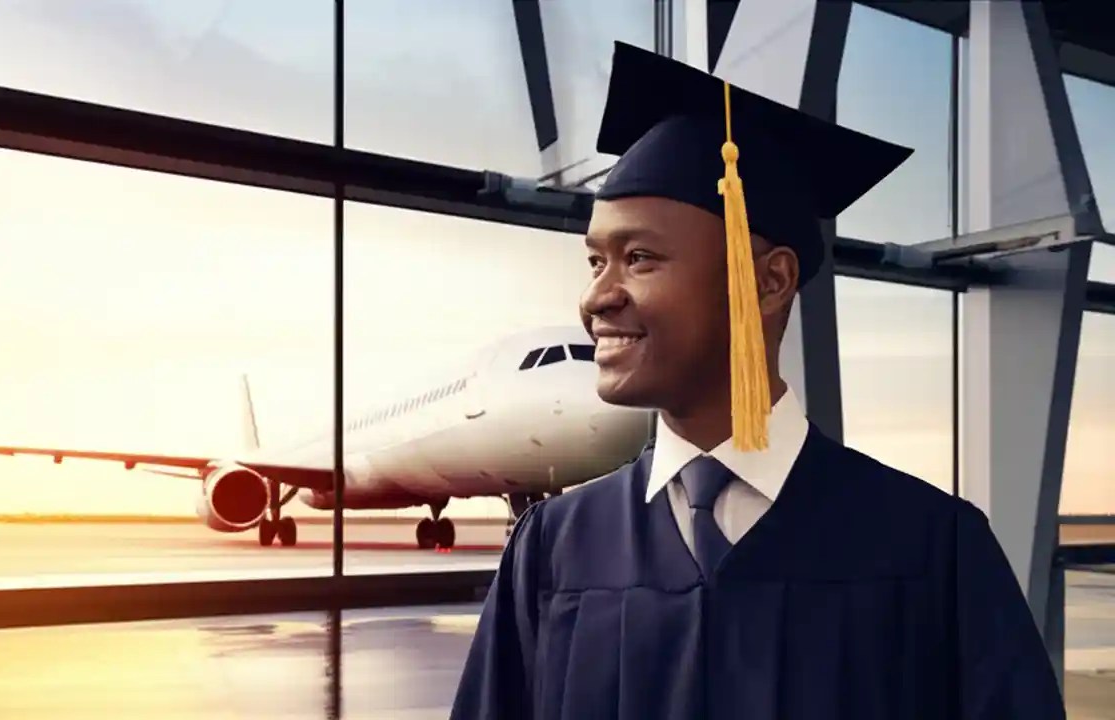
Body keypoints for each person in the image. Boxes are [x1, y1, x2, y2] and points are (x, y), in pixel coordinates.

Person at [449, 42, 1065, 719]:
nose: (598, 297)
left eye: (640, 257)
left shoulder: (933, 550)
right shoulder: (552, 552)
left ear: (769, 282)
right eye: (596, 261)